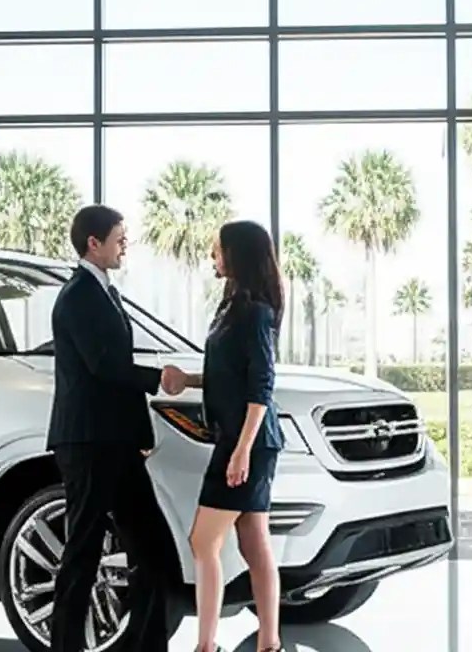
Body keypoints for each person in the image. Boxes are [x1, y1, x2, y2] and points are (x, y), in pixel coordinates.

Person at [46, 204, 187, 652]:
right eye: (120, 237)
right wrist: (155, 379)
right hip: (88, 442)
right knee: (83, 552)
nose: (126, 244)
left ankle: (148, 644)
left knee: (152, 546)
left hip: (116, 442)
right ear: (94, 242)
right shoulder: (79, 296)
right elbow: (105, 366)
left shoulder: (104, 291)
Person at [184, 220, 286, 652]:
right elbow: (229, 375)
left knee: (203, 540)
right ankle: (269, 644)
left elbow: (261, 385)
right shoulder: (233, 307)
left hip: (248, 442)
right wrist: (187, 379)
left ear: (237, 254)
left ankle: (207, 646)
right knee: (253, 542)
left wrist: (241, 450)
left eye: (217, 249)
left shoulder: (255, 312)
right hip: (243, 439)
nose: (212, 256)